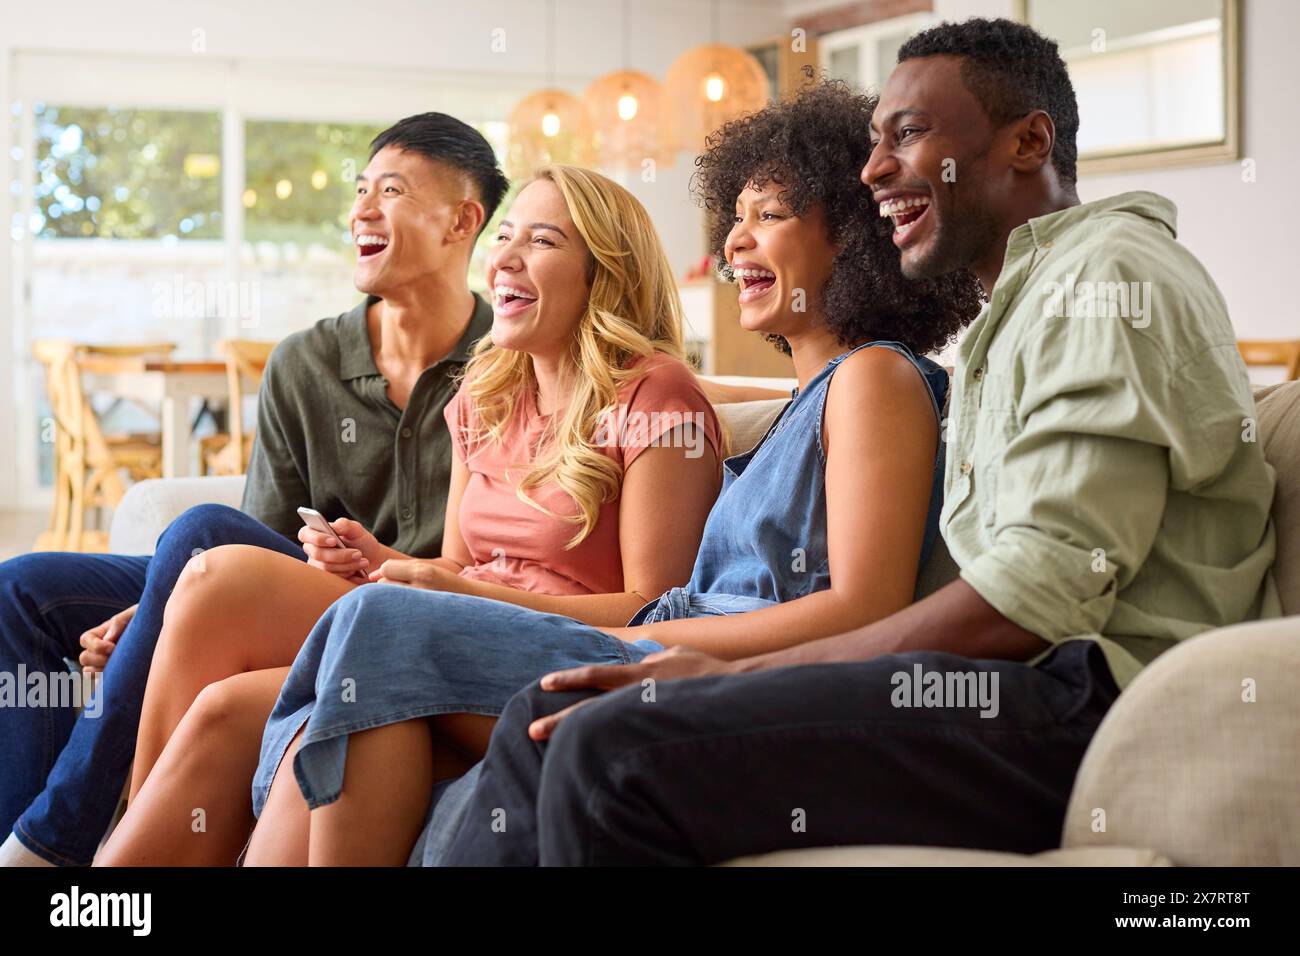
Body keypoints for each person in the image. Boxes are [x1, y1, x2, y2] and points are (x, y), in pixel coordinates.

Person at [445, 21, 1280, 867]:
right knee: (550, 721)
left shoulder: (1105, 278)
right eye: (874, 141)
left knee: (605, 747)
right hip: (1021, 689)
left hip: (1090, 705)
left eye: (908, 134)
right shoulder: (1014, 317)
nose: (875, 170)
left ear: (1029, 140)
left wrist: (740, 674)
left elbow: (1040, 593)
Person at [239, 80, 981, 866]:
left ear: (855, 235)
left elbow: (865, 607)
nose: (733, 246)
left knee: (375, 625)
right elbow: (676, 391)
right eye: (735, 218)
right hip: (656, 643)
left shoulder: (874, 380)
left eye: (769, 216)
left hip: (698, 667)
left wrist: (649, 636)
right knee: (366, 641)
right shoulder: (811, 398)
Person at [95, 165, 723, 866]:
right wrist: (386, 561)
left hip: (540, 652)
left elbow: (654, 613)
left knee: (280, 692)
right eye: (505, 234)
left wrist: (458, 595)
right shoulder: (486, 392)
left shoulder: (657, 397)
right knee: (216, 586)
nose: (504, 256)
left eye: (541, 241)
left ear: (603, 274)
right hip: (440, 626)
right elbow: (456, 564)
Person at [0, 111, 508, 867]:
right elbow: (257, 535)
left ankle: (54, 848)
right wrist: (161, 611)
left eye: (391, 191)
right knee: (26, 590)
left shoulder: (506, 365)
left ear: (462, 220)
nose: (360, 211)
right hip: (281, 586)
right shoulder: (305, 360)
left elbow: (484, 560)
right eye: (360, 190)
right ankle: (20, 825)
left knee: (201, 531)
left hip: (396, 609)